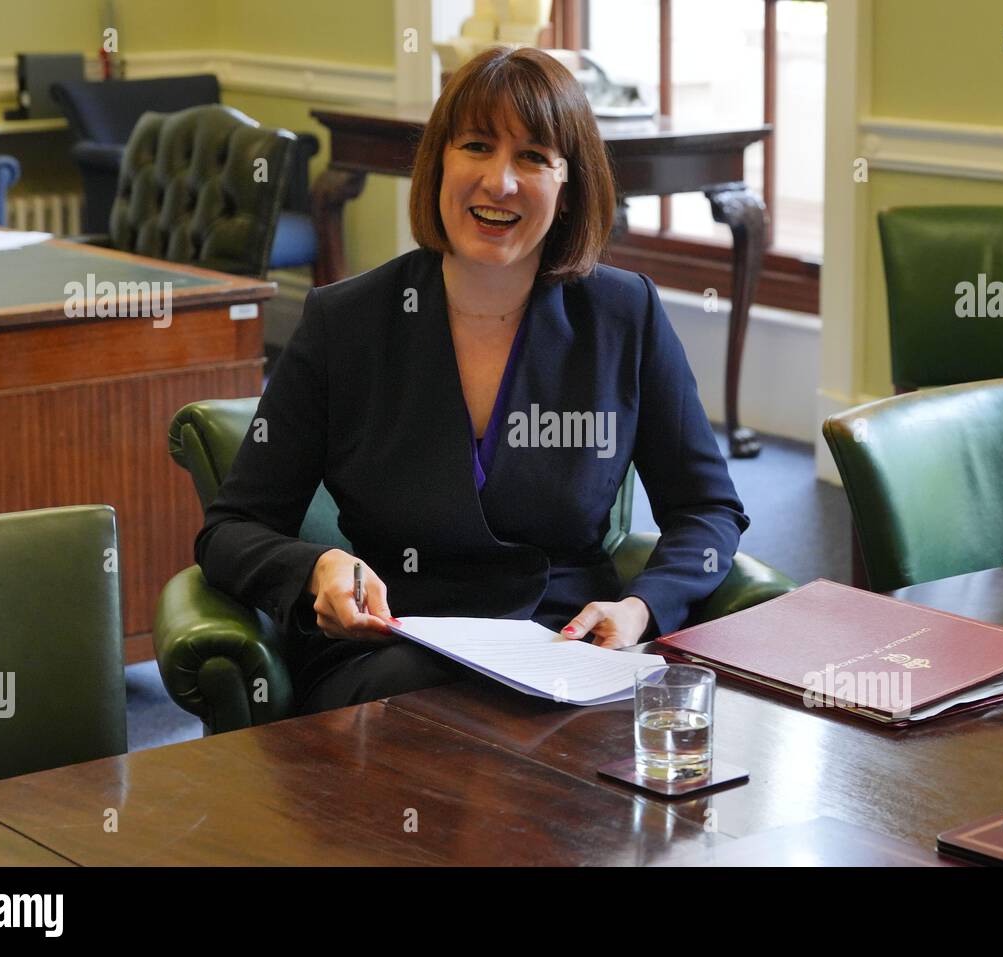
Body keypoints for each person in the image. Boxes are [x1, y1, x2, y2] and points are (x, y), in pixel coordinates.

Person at [196, 45, 750, 715]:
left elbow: (709, 509)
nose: (501, 182)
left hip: (567, 663)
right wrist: (316, 568)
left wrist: (641, 606)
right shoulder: (344, 323)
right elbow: (230, 529)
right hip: (391, 665)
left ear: (568, 183)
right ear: (439, 163)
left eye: (533, 157)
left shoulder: (623, 314)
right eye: (478, 147)